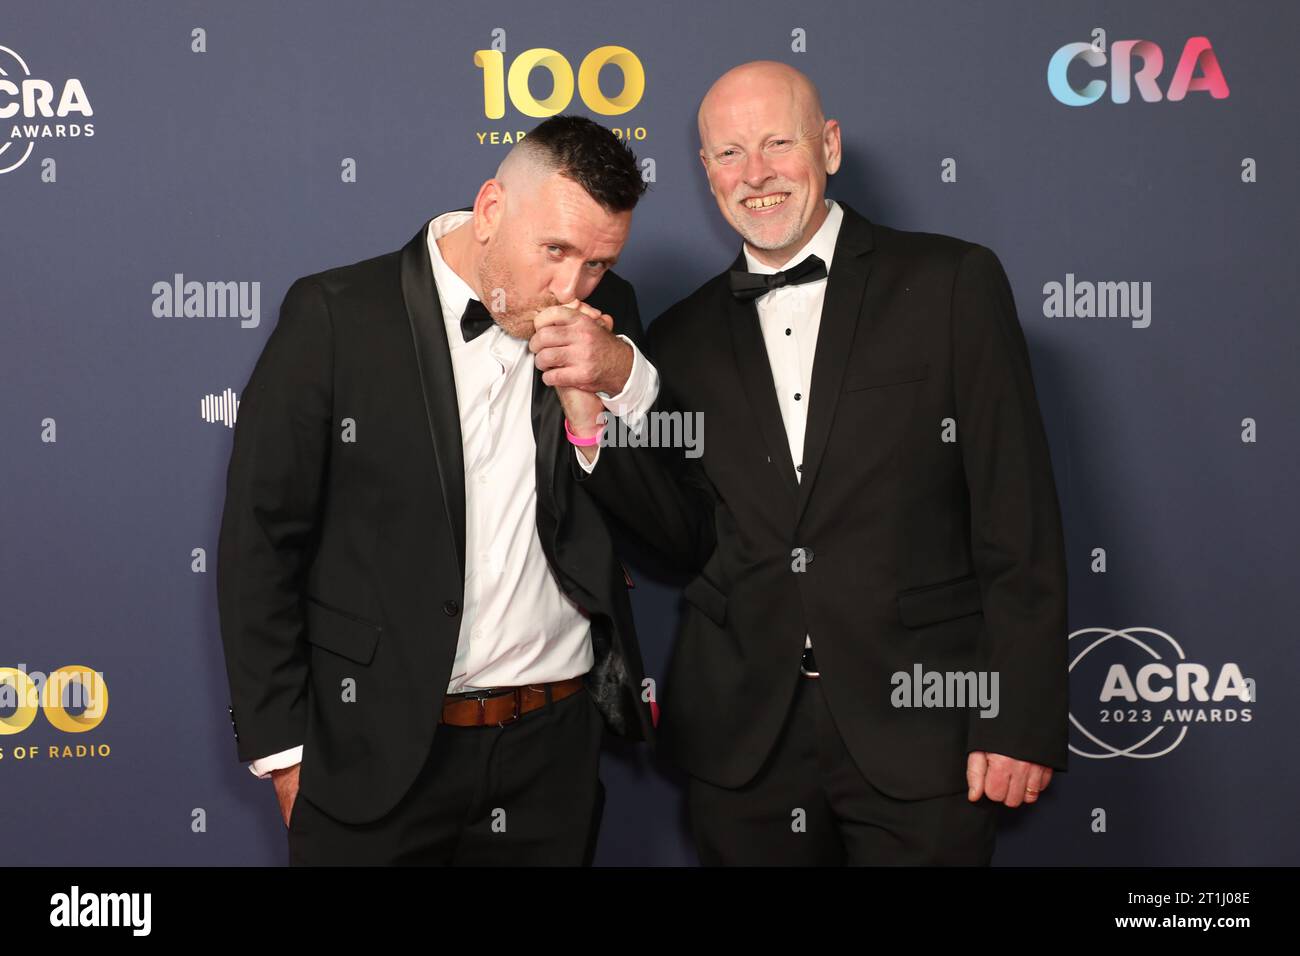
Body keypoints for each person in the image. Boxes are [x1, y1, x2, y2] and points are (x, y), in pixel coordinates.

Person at [553, 61, 1069, 865]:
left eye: (776, 144)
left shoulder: (950, 283)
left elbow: (1017, 516)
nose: (754, 175)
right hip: (743, 745)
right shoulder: (680, 335)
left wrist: (1019, 714)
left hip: (924, 727)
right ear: (704, 174)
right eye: (728, 154)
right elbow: (684, 536)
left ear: (828, 146)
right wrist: (594, 415)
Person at [217, 115, 657, 865]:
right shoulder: (335, 315)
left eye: (597, 262)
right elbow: (261, 540)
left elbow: (661, 518)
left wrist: (621, 383)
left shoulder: (611, 322)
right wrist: (284, 752)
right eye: (555, 250)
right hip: (375, 754)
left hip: (550, 750)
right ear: (490, 209)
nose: (570, 287)